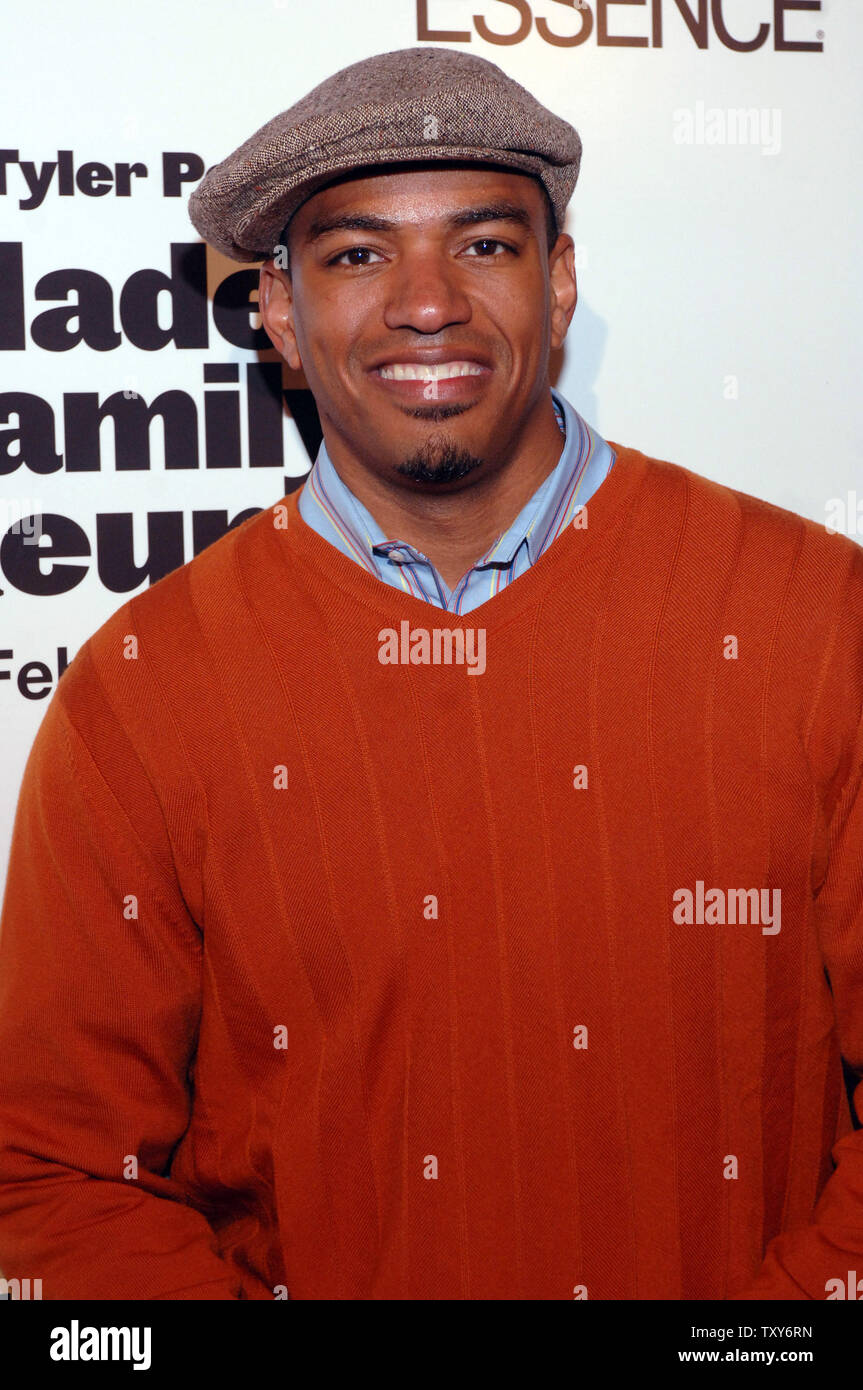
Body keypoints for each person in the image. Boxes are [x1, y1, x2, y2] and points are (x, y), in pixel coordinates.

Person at [0, 44, 861, 1302]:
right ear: (281, 314)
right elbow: (58, 1177)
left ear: (558, 284)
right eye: (355, 255)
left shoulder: (811, 615)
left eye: (484, 245)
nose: (425, 303)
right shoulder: (144, 689)